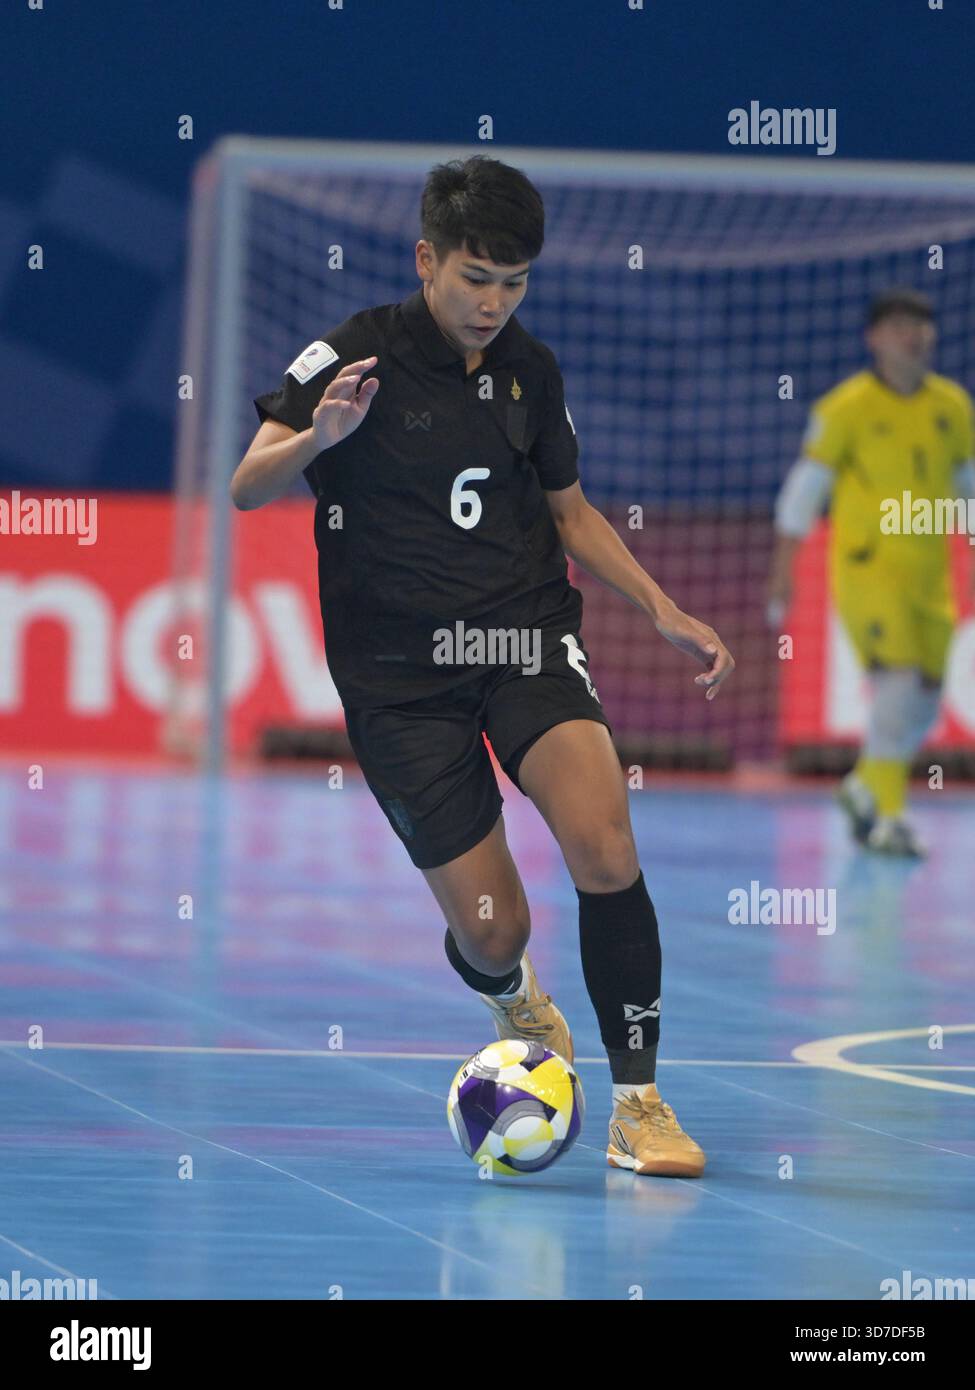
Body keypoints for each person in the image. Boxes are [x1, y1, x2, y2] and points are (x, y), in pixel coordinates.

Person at [232, 155, 734, 1177]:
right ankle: (512, 996)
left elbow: (569, 512)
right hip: (397, 677)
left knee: (603, 841)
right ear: (427, 259)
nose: (493, 303)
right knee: (495, 928)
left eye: (514, 283)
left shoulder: (530, 371)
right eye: (475, 278)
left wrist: (661, 605)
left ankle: (641, 1105)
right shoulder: (354, 354)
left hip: (521, 638)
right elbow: (247, 485)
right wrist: (318, 435)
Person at [768, 288, 975, 857]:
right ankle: (889, 815)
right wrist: (784, 571)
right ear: (875, 338)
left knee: (927, 700)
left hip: (931, 574)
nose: (915, 335)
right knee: (897, 684)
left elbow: (968, 489)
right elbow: (803, 493)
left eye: (923, 325)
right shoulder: (846, 408)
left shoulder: (952, 406)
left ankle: (861, 788)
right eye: (902, 325)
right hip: (869, 570)